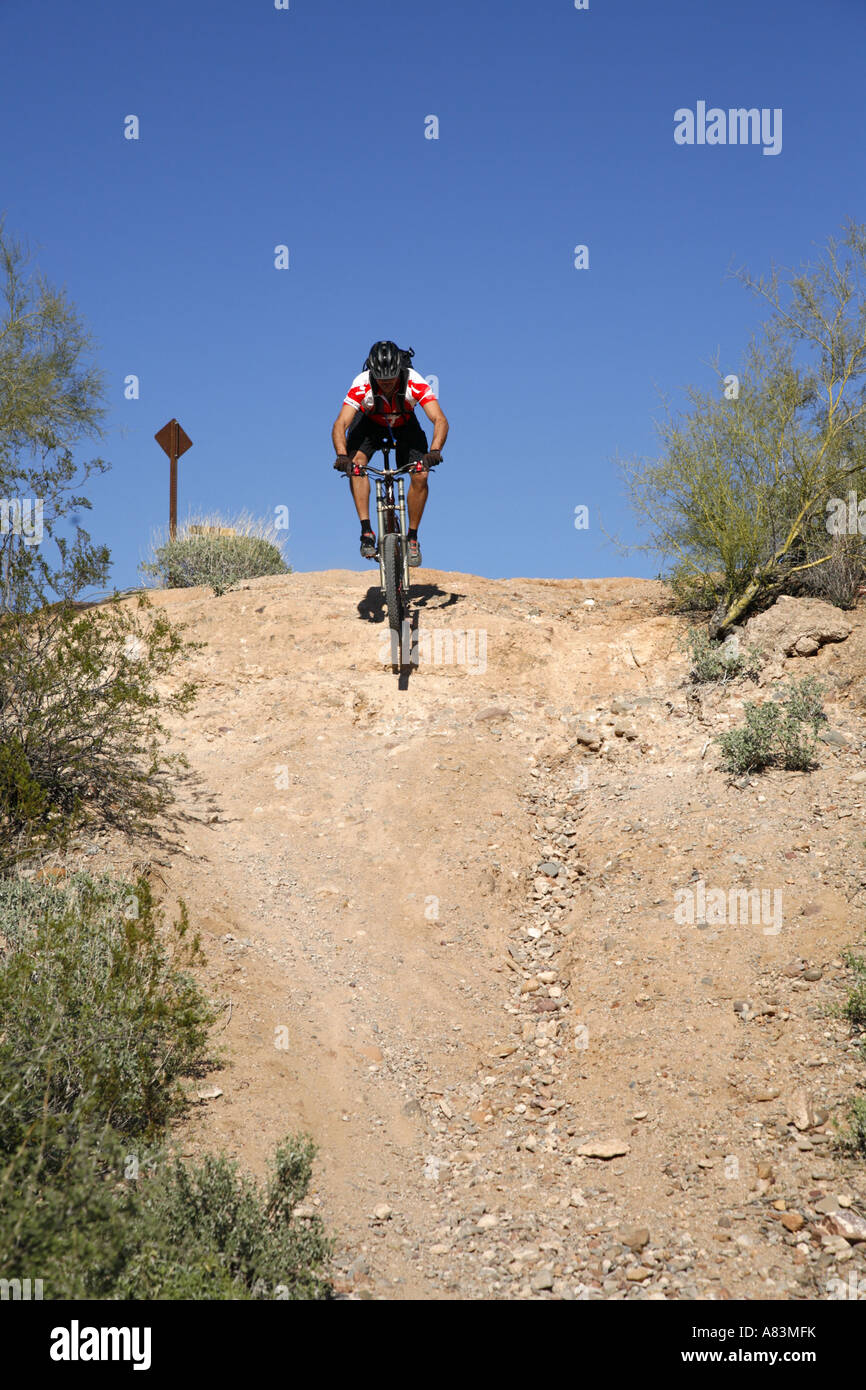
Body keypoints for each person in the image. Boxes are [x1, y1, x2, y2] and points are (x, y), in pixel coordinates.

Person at [332, 341, 448, 566]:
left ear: (400, 373)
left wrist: (434, 451)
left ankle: (412, 537)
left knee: (421, 474)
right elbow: (340, 423)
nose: (386, 385)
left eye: (391, 380)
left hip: (406, 426)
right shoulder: (361, 384)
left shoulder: (414, 381)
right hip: (369, 426)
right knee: (356, 468)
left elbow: (440, 419)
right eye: (381, 380)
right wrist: (341, 455)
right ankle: (367, 532)